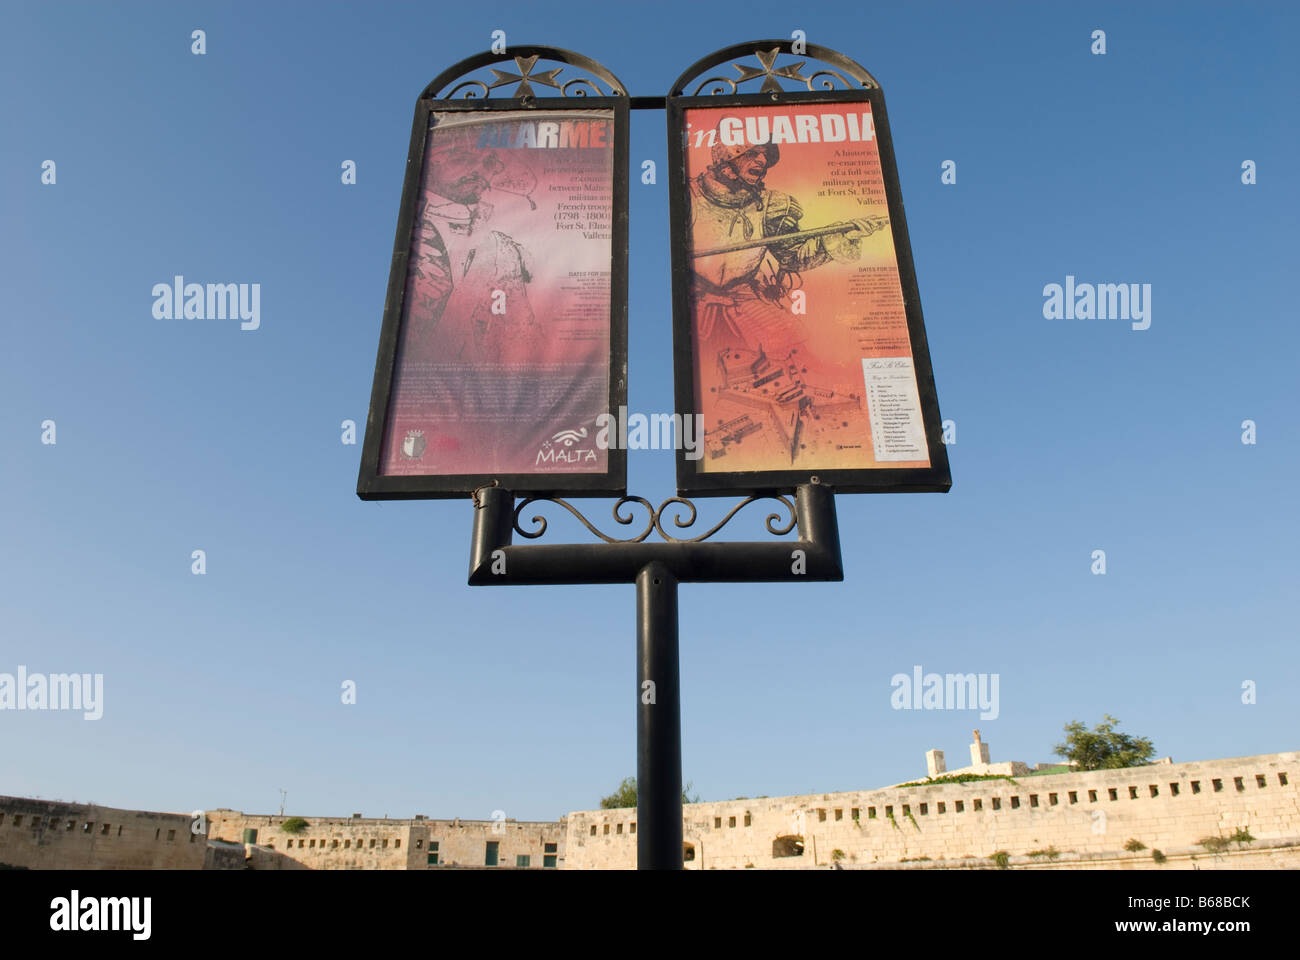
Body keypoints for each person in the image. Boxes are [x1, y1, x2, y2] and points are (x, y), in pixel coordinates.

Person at [688, 138, 885, 355]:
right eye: (753, 153)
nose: (762, 160)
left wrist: (840, 237)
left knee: (796, 353)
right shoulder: (686, 195)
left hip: (745, 300)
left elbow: (792, 257)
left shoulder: (772, 205)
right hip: (690, 300)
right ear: (725, 158)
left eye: (765, 155)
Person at [401, 124, 543, 363]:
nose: (478, 170)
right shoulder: (405, 227)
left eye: (489, 163)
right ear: (434, 163)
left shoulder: (502, 249)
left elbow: (522, 333)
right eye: (463, 158)